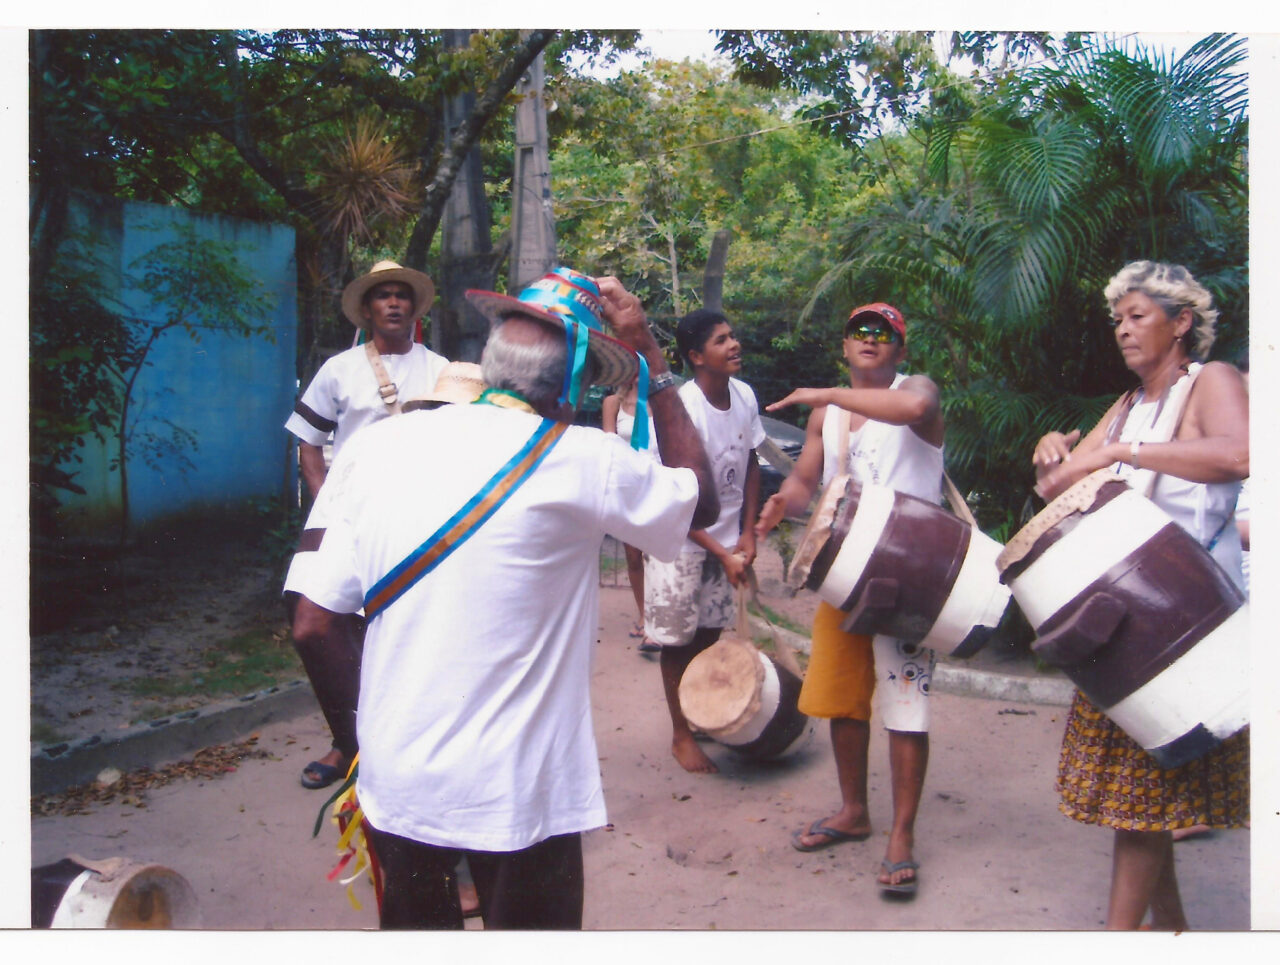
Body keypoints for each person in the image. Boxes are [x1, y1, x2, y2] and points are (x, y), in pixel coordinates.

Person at [289, 268, 717, 929]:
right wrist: (653, 360)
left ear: (490, 364)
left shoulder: (372, 447)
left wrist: (362, 747)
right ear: (572, 383)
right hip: (522, 791)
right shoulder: (584, 459)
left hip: (397, 783)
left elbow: (315, 625)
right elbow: (701, 499)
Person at [1030, 260, 1249, 930]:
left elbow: (1240, 453)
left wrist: (1121, 451)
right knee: (1145, 801)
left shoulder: (1208, 382)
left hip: (1187, 625)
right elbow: (1057, 487)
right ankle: (1175, 931)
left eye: (1137, 316)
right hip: (1129, 619)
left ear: (1181, 321)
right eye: (1117, 319)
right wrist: (1051, 454)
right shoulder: (1128, 404)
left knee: (1139, 805)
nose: (1122, 330)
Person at [755, 302, 944, 897]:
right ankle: (854, 810)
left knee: (905, 704)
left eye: (882, 334)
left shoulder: (917, 391)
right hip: (842, 572)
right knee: (842, 699)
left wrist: (823, 391)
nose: (869, 339)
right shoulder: (827, 415)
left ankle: (902, 835)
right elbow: (807, 478)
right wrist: (784, 499)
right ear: (845, 346)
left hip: (907, 574)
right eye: (859, 331)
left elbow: (914, 409)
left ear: (899, 350)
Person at [283, 260, 450, 790]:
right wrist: (323, 498)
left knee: (397, 635)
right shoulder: (340, 368)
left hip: (417, 516)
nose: (395, 303)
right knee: (314, 627)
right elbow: (307, 438)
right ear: (369, 309)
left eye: (403, 295)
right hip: (344, 513)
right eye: (384, 297)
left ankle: (391, 750)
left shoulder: (442, 369)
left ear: (415, 307)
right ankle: (347, 740)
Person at [644, 309, 765, 774]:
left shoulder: (745, 396)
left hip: (727, 540)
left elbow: (752, 463)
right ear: (696, 356)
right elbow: (668, 493)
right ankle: (680, 734)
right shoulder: (681, 408)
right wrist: (720, 550)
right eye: (721, 340)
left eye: (733, 336)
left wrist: (747, 533)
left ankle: (701, 715)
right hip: (682, 544)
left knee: (711, 636)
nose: (733, 345)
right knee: (678, 642)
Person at [601, 375, 660, 652]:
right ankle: (644, 614)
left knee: (659, 555)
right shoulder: (612, 403)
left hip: (659, 483)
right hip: (629, 487)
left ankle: (661, 617)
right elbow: (609, 445)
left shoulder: (661, 402)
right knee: (633, 556)